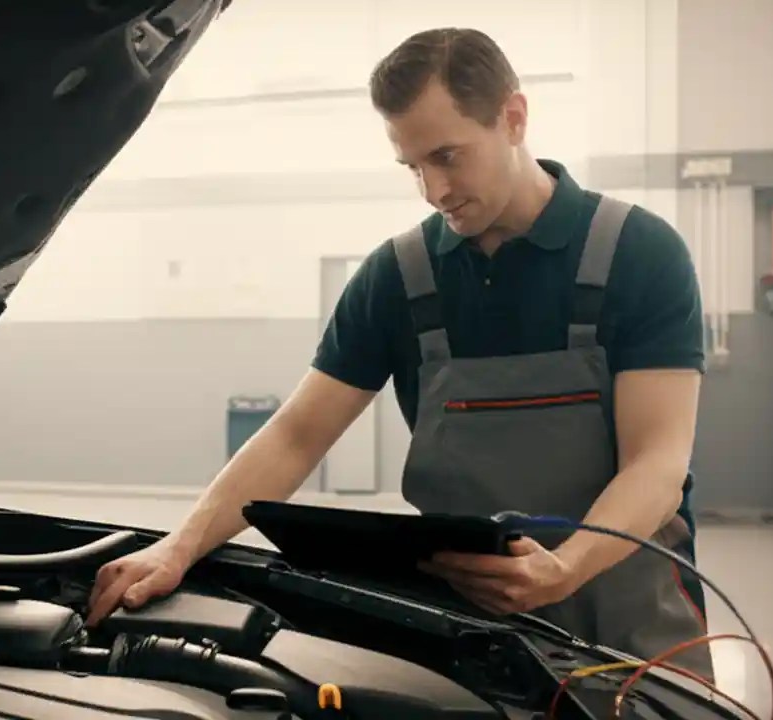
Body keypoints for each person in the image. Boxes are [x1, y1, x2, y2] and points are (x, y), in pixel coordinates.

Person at [87, 27, 714, 678]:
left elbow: (657, 465)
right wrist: (177, 549)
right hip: (479, 629)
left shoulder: (638, 253)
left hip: (633, 628)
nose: (434, 190)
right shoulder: (400, 277)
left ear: (514, 118)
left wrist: (564, 570)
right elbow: (296, 436)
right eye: (413, 166)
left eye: (448, 156)